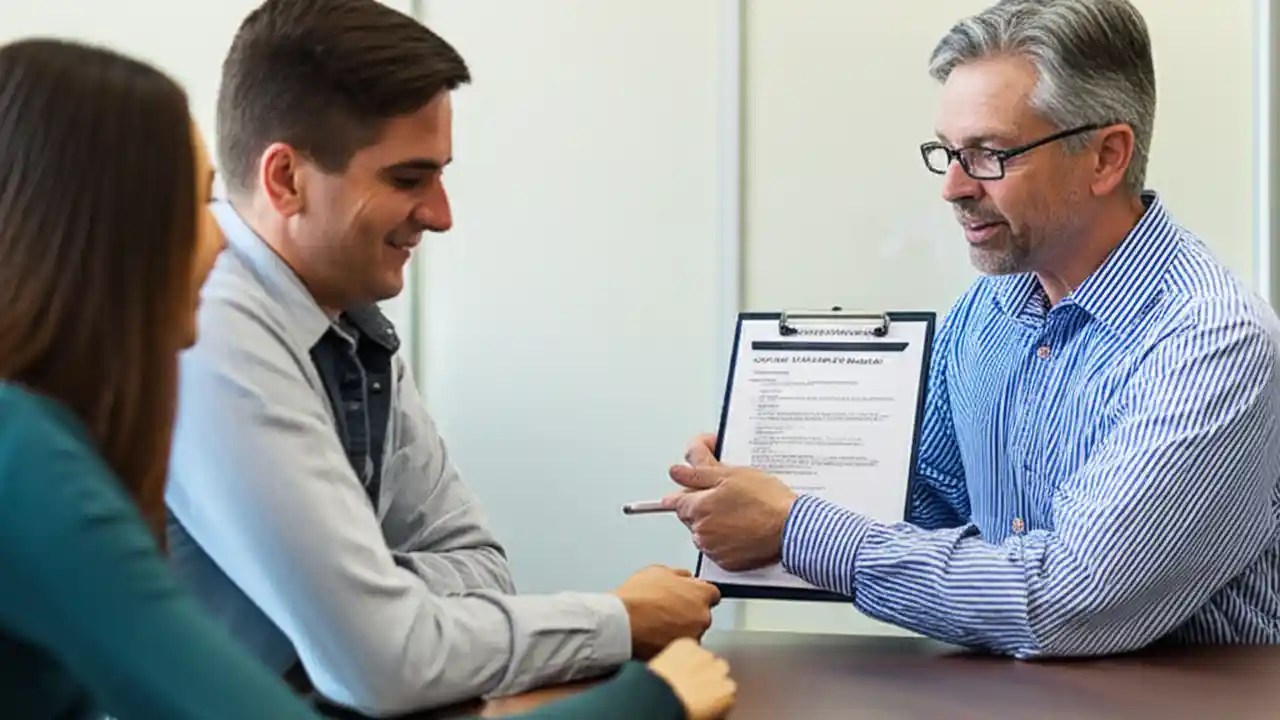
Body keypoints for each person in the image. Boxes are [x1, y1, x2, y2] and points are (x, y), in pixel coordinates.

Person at [0, 35, 734, 720]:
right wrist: (645, 701)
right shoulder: (29, 464)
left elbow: (469, 580)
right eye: (196, 203)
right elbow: (367, 666)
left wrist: (379, 606)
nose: (220, 234)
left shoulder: (36, 444)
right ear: (101, 243)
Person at [663, 0, 1280, 659]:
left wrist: (791, 526)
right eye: (949, 153)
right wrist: (757, 481)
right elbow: (918, 506)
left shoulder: (1214, 343)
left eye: (988, 155)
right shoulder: (987, 312)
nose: (953, 187)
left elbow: (1066, 600)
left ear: (1105, 157)